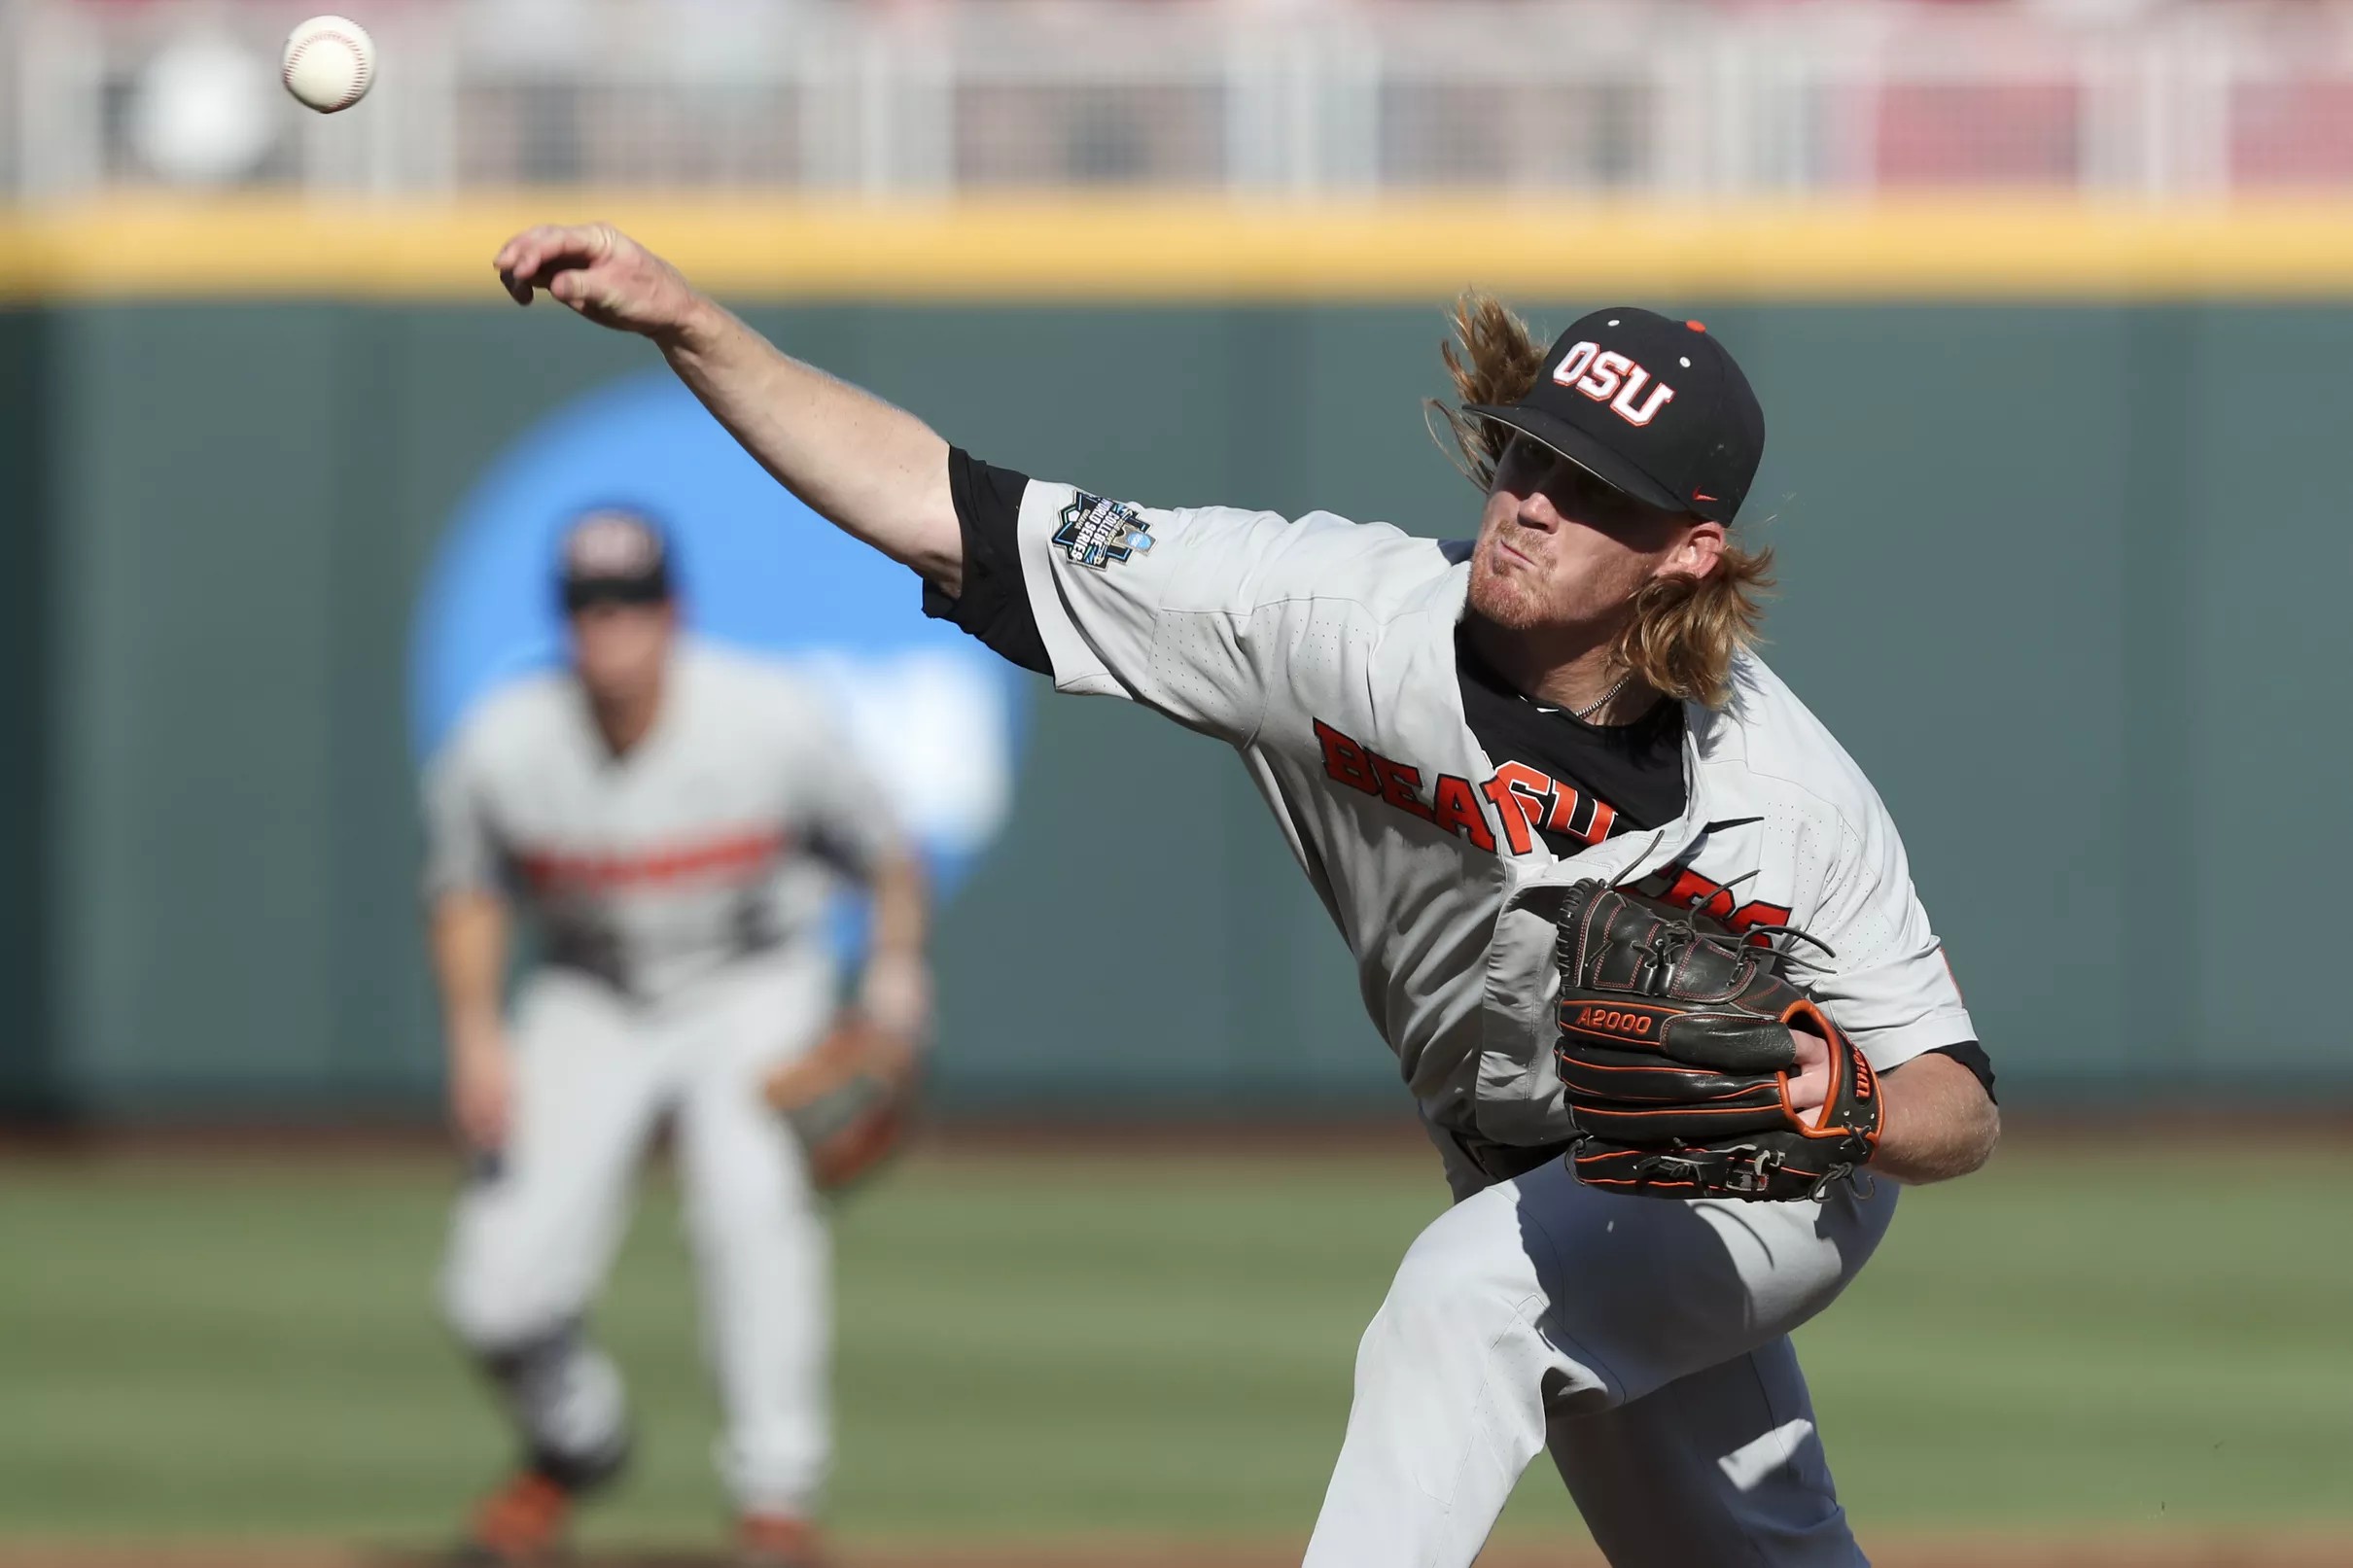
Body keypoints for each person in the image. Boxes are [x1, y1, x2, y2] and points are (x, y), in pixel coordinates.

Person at [485, 222, 2001, 1566]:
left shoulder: (1783, 793)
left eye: (1591, 490)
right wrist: (692, 322)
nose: (1532, 501)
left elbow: (1961, 1107)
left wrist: (1828, 1089)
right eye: (1529, 454)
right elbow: (944, 505)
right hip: (1534, 1173)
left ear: (1688, 549)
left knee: (1465, 1302)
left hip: (1760, 1178)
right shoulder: (1322, 620)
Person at [421, 507, 931, 1568]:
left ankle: (775, 1501)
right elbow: (466, 888)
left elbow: (885, 845)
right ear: (561, 619)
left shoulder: (765, 715)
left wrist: (889, 983)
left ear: (674, 610)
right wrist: (474, 1032)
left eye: (630, 602)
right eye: (586, 606)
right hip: (591, 993)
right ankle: (575, 1439)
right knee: (492, 1286)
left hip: (750, 982)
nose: (608, 626)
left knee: (751, 1210)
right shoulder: (506, 740)